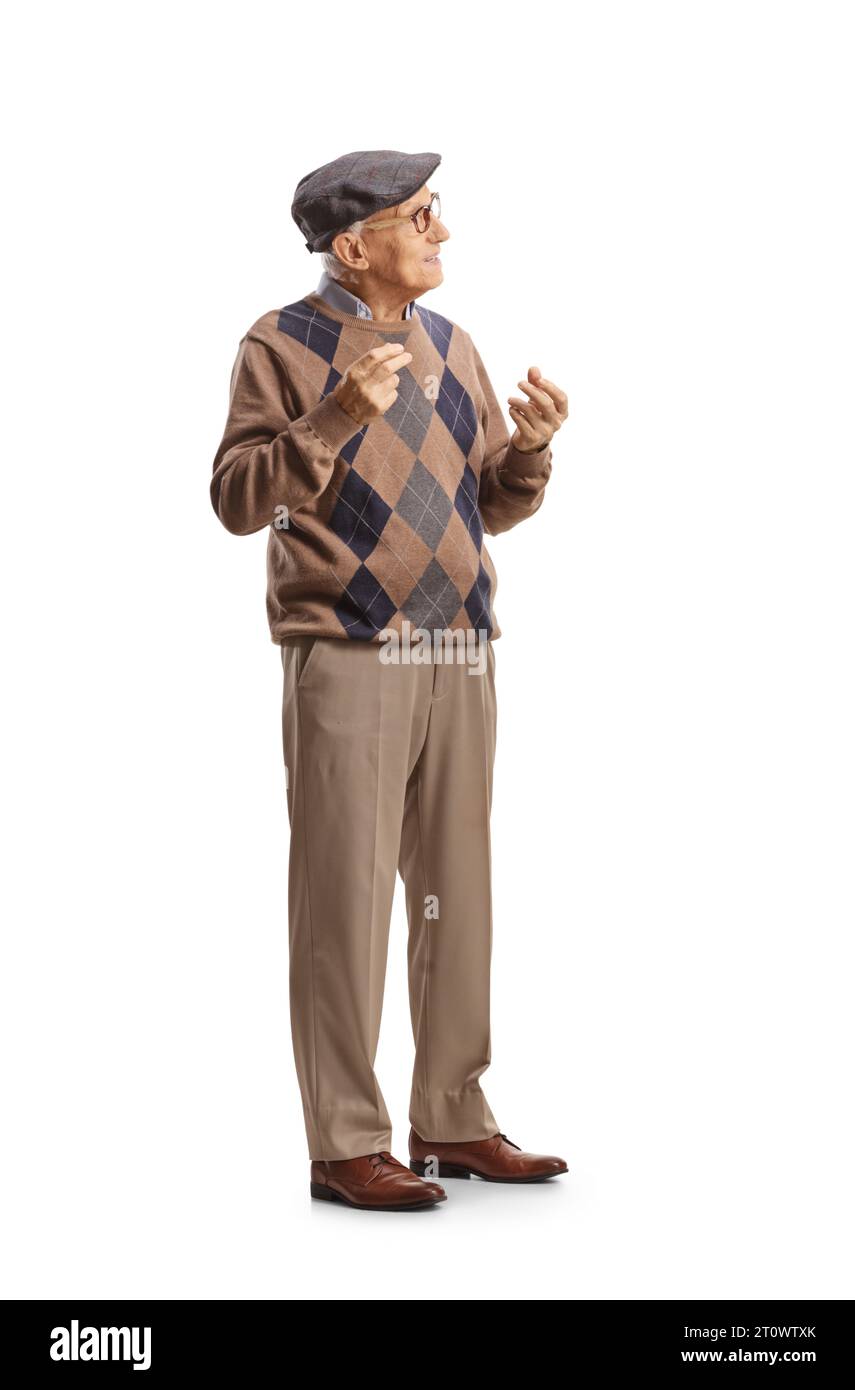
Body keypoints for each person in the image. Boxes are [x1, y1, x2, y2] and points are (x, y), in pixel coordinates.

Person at [211, 149, 569, 1211]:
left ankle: (452, 1119)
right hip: (348, 653)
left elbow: (482, 505)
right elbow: (240, 501)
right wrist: (331, 419)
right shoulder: (278, 345)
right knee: (346, 898)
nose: (441, 232)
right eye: (422, 216)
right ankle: (344, 1143)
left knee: (455, 895)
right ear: (353, 242)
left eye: (436, 211)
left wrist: (533, 455)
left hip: (458, 647)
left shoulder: (452, 348)